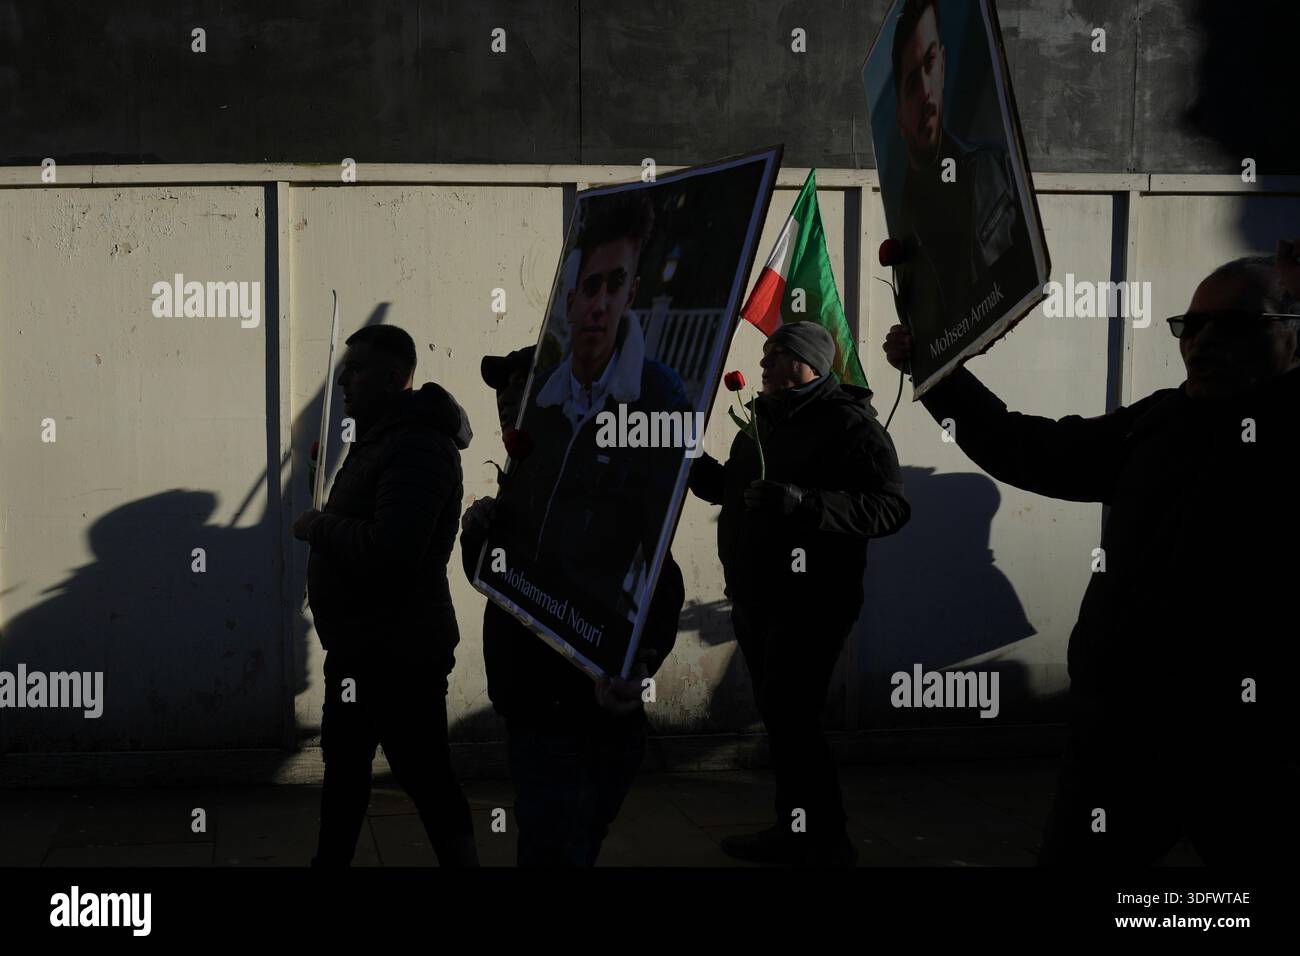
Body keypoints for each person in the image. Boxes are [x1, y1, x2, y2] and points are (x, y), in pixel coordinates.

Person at [882, 240, 1300, 865]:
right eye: (1191, 325)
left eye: (1235, 324)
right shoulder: (1161, 422)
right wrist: (941, 375)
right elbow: (1032, 448)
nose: (1203, 342)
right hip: (1124, 732)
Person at [689, 322, 911, 865]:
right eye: (764, 353)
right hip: (756, 595)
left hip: (813, 602)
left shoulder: (849, 425)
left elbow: (888, 508)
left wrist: (805, 503)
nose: (763, 362)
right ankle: (799, 829)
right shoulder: (762, 421)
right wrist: (693, 468)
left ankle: (825, 839)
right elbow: (736, 490)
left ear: (810, 364)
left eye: (776, 353)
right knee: (783, 718)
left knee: (793, 716)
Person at [461, 345, 686, 866]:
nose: (506, 401)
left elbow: (655, 575)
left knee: (557, 846)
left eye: (522, 389)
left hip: (581, 716)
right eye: (502, 391)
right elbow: (494, 579)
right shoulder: (526, 481)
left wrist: (642, 659)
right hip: (535, 710)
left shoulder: (596, 477)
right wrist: (478, 533)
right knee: (553, 843)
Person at [293, 324, 478, 867]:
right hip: (358, 649)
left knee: (426, 777)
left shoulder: (418, 445)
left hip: (399, 654)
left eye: (358, 369)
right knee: (345, 774)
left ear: (395, 378)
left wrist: (317, 528)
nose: (345, 381)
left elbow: (393, 551)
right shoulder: (381, 437)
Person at [496, 194, 691, 619]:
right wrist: (481, 536)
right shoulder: (541, 395)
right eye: (590, 287)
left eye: (616, 284)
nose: (601, 305)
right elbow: (518, 519)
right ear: (569, 303)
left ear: (632, 294)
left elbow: (657, 556)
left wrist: (641, 655)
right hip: (520, 636)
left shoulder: (660, 400)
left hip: (591, 653)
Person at [890, 0, 1032, 341]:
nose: (925, 92)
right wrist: (911, 353)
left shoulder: (998, 174)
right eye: (911, 83)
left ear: (944, 67)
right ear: (898, 117)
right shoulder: (902, 221)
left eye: (930, 63)